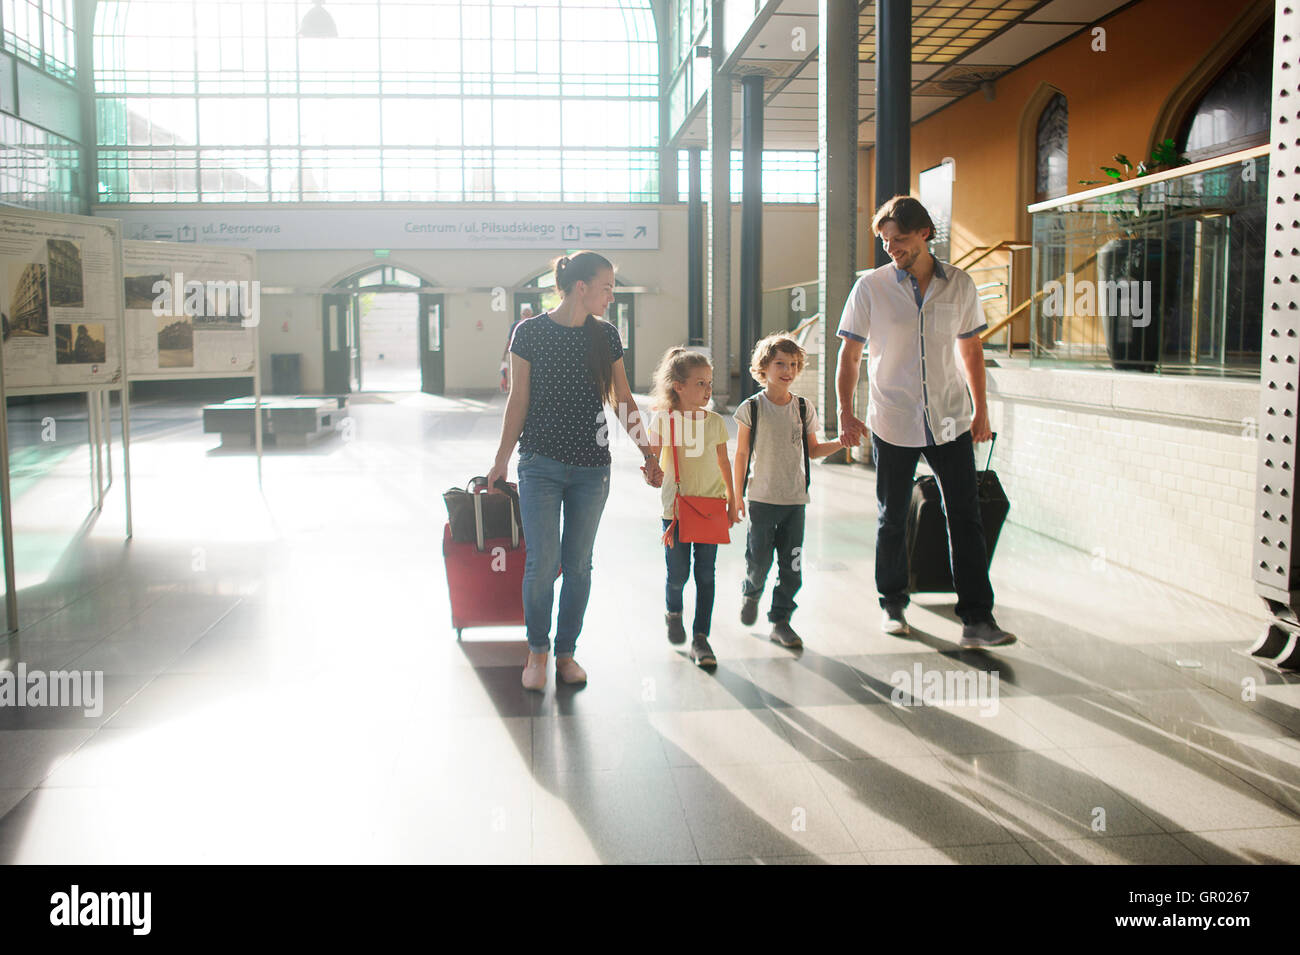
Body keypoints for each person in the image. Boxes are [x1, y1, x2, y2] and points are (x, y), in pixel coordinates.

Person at [836, 195, 1016, 648]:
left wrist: (982, 411)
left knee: (965, 517)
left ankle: (977, 617)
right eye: (884, 241)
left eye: (898, 239)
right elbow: (850, 355)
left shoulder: (960, 285)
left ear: (924, 234)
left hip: (951, 418)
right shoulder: (871, 288)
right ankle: (892, 603)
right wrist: (845, 410)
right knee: (891, 517)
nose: (890, 248)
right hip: (892, 418)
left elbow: (971, 350)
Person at [486, 252, 664, 691]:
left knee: (579, 565)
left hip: (591, 467)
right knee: (542, 565)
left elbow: (623, 398)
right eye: (606, 286)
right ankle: (537, 652)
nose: (611, 294)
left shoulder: (606, 336)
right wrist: (501, 459)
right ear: (580, 286)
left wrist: (649, 452)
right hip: (540, 464)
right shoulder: (529, 333)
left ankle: (566, 653)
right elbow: (518, 401)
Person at [733, 334, 844, 649]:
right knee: (759, 561)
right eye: (780, 363)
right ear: (764, 368)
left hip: (795, 501)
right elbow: (741, 454)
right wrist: (736, 495)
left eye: (794, 364)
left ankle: (780, 620)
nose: (788, 370)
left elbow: (814, 450)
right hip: (762, 499)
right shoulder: (751, 408)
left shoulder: (803, 407)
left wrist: (842, 442)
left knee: (792, 566)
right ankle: (751, 591)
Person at [647, 347, 739, 669]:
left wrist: (734, 499)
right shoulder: (664, 420)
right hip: (676, 511)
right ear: (678, 386)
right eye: (700, 383)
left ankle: (701, 638)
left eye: (710, 383)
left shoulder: (715, 422)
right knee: (678, 574)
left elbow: (724, 463)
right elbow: (653, 460)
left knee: (705, 575)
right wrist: (651, 472)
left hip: (712, 506)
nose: (707, 390)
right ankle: (674, 611)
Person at [500, 304, 534, 392]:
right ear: (521, 315)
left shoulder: (535, 325)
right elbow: (509, 341)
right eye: (524, 314)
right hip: (517, 354)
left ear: (531, 314)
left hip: (531, 355)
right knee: (515, 375)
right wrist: (504, 355)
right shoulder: (515, 325)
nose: (526, 316)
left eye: (528, 314)